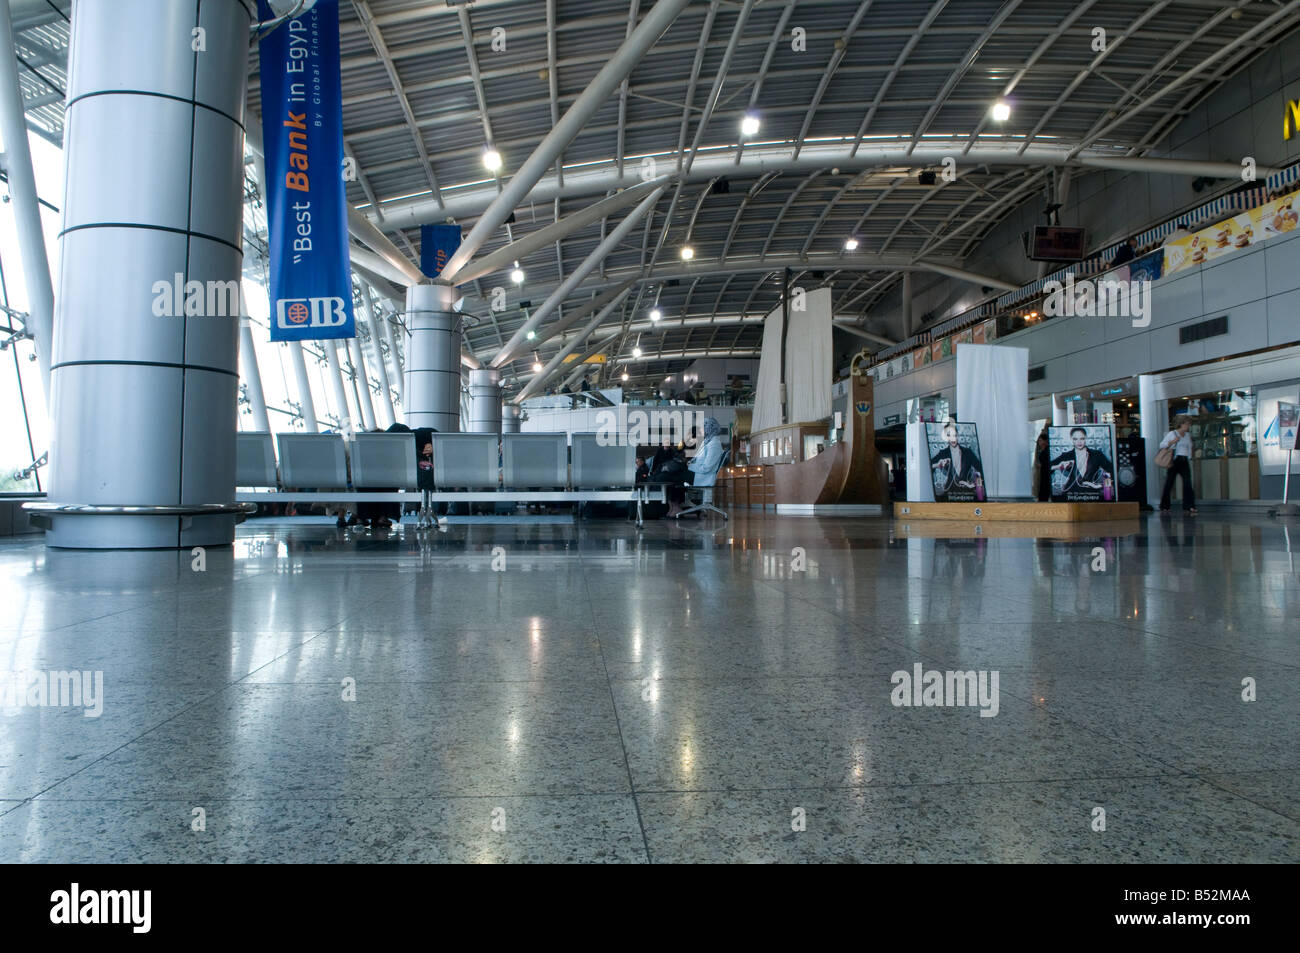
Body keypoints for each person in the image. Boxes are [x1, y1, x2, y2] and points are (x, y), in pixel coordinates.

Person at [666, 418, 725, 518]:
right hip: (696, 473)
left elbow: (706, 467)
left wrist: (690, 466)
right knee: (672, 475)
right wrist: (691, 463)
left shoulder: (714, 444)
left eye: (703, 428)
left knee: (673, 475)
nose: (701, 430)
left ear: (709, 428)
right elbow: (697, 458)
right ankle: (674, 504)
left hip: (702, 476)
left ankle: (675, 505)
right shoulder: (706, 442)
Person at [1049, 427, 1114, 496]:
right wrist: (1058, 466)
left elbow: (1111, 471)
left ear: (1086, 438)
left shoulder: (1097, 454)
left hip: (1092, 495)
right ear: (1071, 439)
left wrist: (1101, 486)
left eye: (1082, 438)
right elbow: (1048, 468)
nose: (1079, 442)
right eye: (1075, 439)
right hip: (1070, 494)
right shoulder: (1066, 455)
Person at [929, 422, 983, 497]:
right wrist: (937, 465)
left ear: (957, 435)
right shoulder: (943, 453)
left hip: (967, 494)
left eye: (954, 435)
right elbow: (928, 467)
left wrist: (975, 485)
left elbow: (980, 470)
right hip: (949, 493)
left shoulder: (968, 452)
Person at [1158, 414, 1197, 515]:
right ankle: (1164, 505)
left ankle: (1189, 506)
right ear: (1181, 424)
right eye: (1187, 424)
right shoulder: (1172, 434)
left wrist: (1189, 457)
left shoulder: (1187, 435)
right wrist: (1171, 442)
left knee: (1187, 483)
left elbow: (1189, 447)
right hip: (1175, 460)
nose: (1188, 426)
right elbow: (1162, 445)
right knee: (1169, 482)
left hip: (1184, 460)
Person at [1035, 430, 1052, 502]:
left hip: (1046, 474)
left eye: (1040, 441)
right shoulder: (1044, 450)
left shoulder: (1047, 451)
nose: (1039, 443)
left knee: (1045, 488)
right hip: (1044, 473)